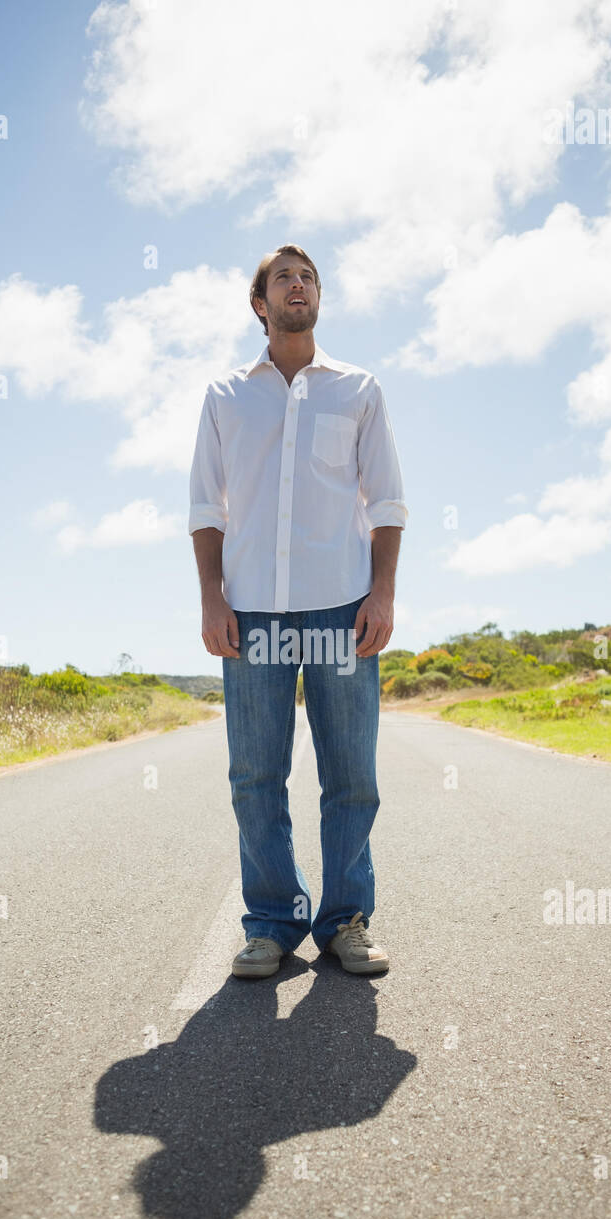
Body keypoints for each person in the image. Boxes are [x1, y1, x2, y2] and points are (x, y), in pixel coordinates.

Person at [188, 244, 408, 979]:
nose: (298, 283)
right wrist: (211, 597)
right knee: (255, 775)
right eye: (283, 276)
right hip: (250, 613)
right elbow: (205, 507)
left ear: (318, 299)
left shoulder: (358, 389)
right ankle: (272, 922)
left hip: (343, 608)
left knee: (351, 775)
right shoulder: (225, 396)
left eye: (308, 276)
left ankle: (346, 919)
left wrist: (382, 593)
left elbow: (386, 502)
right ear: (260, 303)